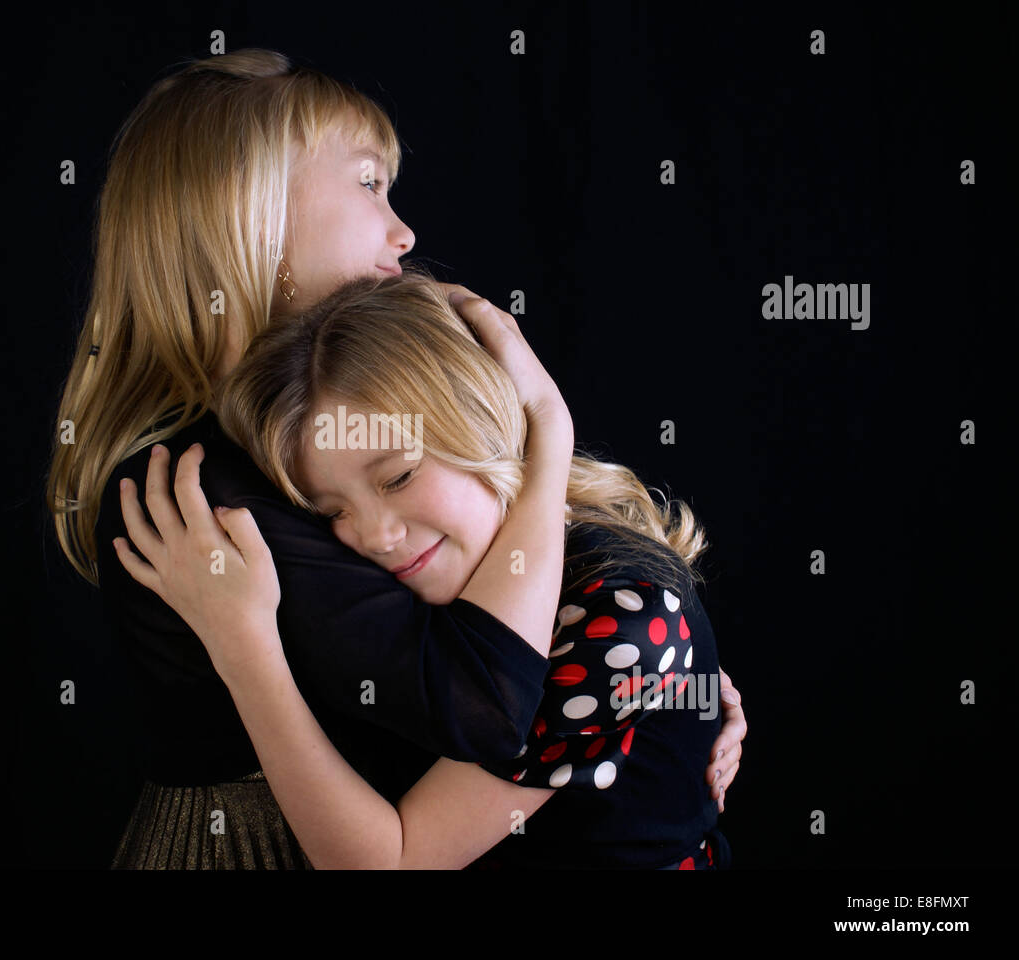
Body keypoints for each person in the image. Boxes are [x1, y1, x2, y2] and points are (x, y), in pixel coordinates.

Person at [47, 48, 746, 869]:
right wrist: (635, 661)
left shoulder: (327, 409)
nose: (403, 231)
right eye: (369, 183)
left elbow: (536, 631)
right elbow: (487, 696)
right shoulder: (207, 479)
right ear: (253, 203)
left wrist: (673, 683)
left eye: (398, 476)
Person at [114, 270, 729, 868]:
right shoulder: (443, 581)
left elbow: (392, 863)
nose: (376, 536)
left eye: (400, 476)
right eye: (332, 513)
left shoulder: (622, 616)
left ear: (483, 423)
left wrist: (244, 646)